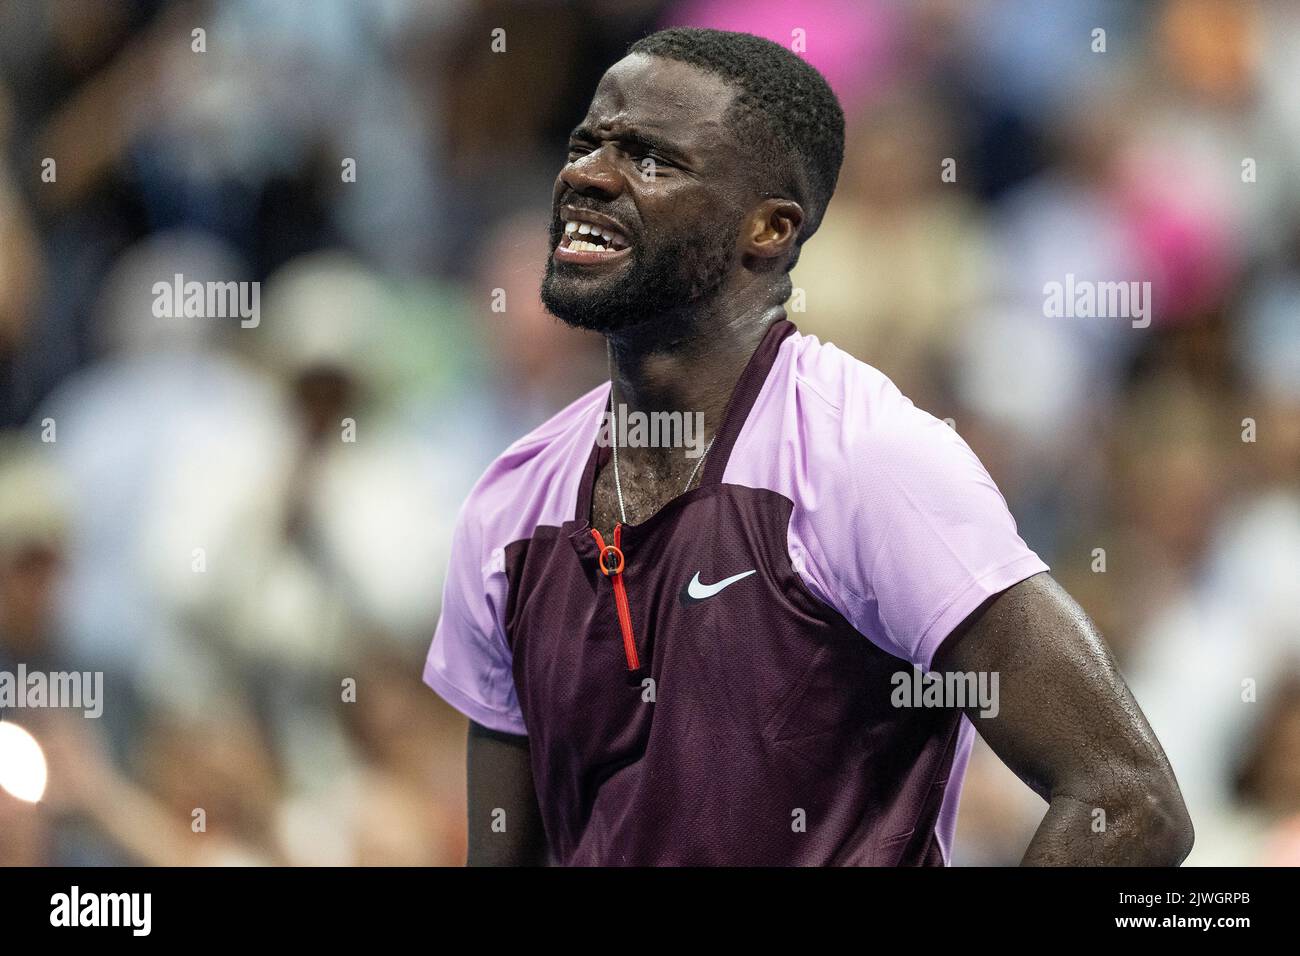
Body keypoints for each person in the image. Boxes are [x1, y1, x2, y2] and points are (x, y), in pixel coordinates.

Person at [423, 27, 1193, 866]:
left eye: (649, 159)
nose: (588, 175)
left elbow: (1129, 799)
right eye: (587, 143)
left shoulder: (870, 462)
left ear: (769, 229)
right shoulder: (509, 506)